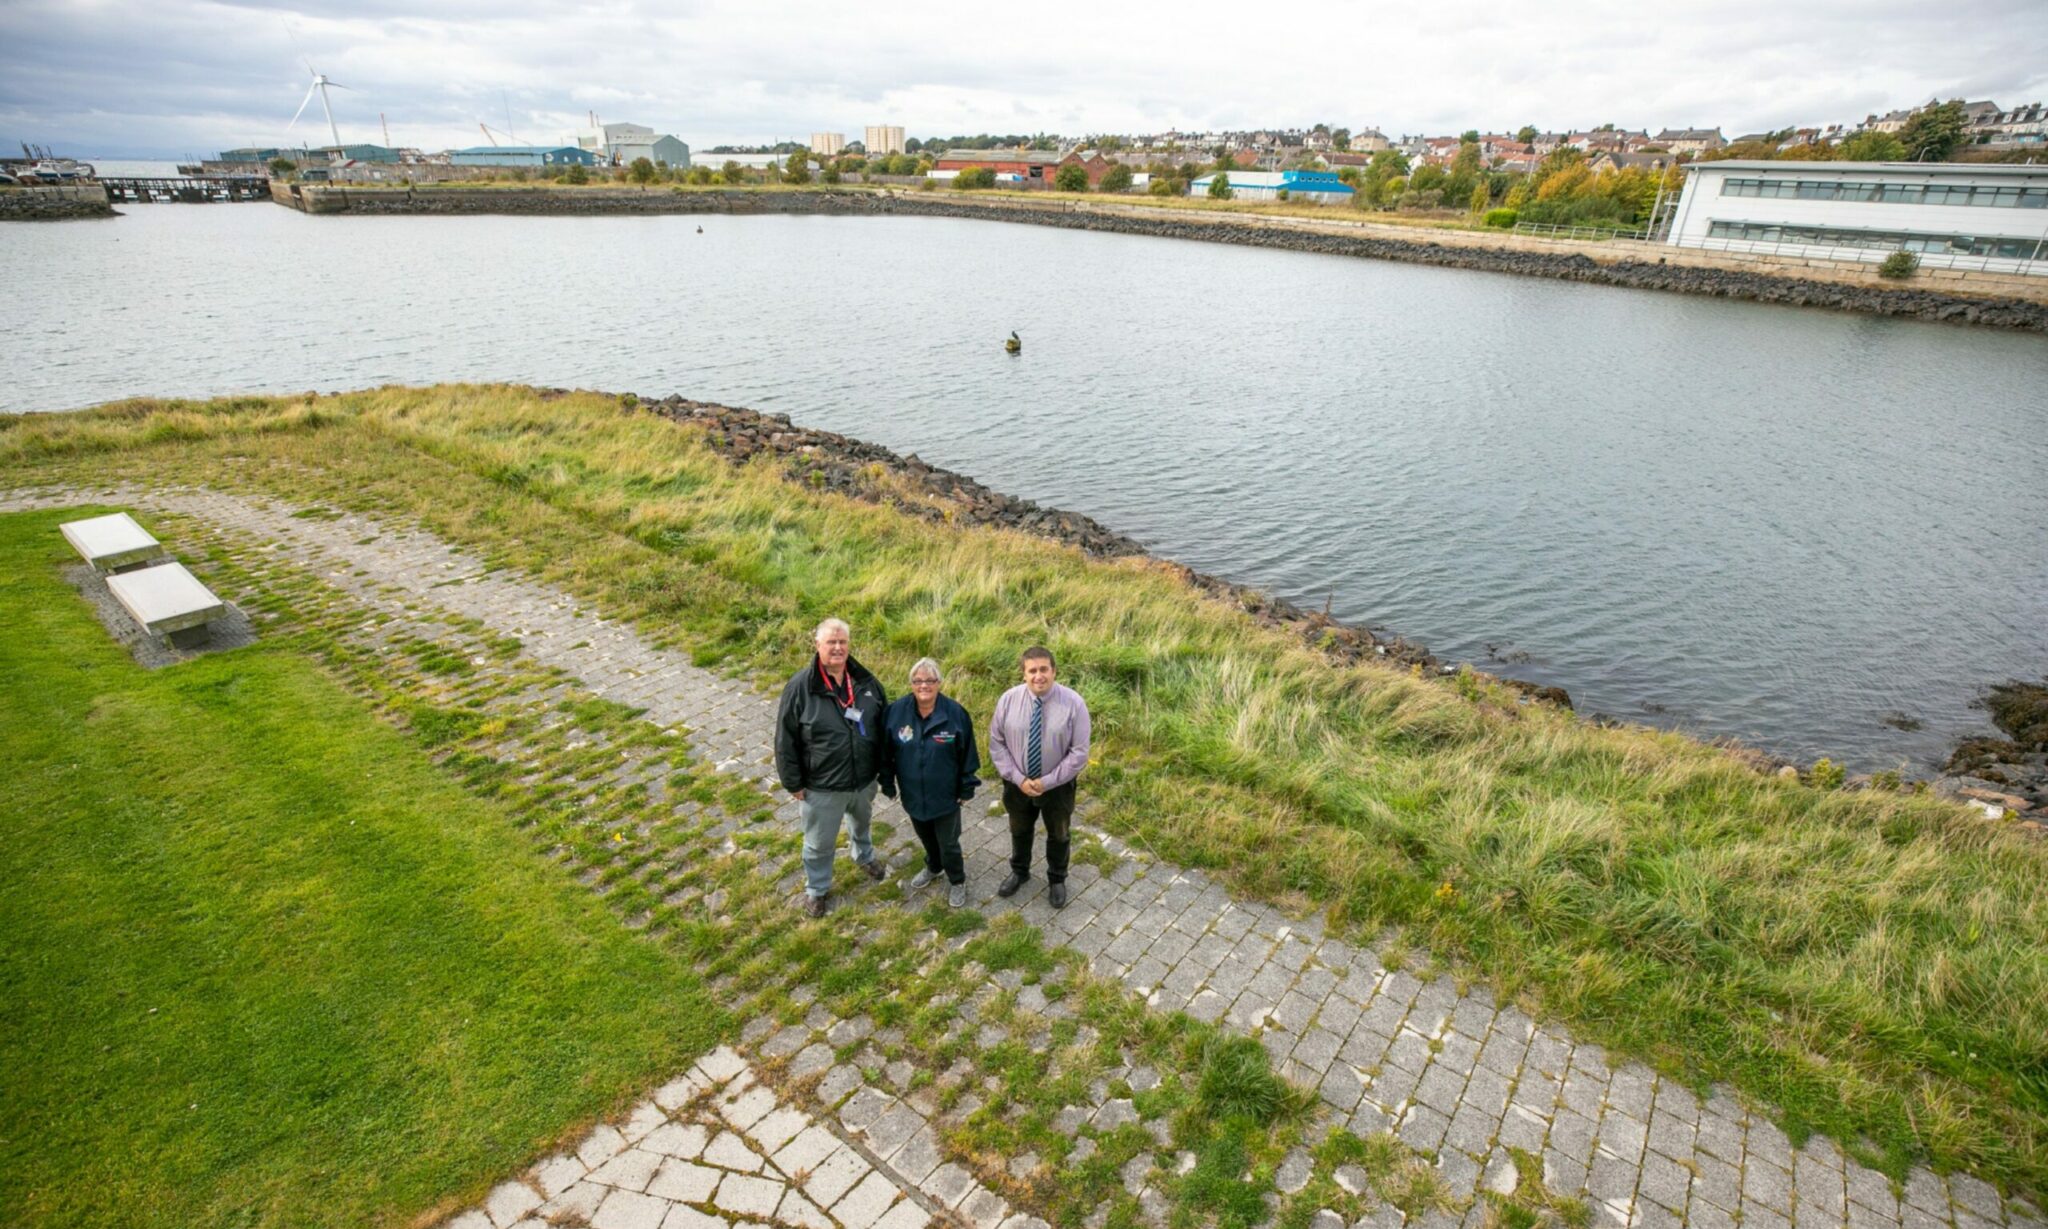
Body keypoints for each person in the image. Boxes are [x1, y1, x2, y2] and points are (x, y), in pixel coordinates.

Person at [774, 618, 889, 917]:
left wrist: (882, 770)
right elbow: (785, 738)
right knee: (818, 843)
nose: (838, 648)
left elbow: (883, 725)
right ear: (818, 646)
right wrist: (793, 782)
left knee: (861, 823)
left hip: (863, 780)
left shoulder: (866, 682)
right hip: (821, 786)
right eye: (831, 643)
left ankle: (863, 856)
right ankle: (817, 888)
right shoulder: (800, 687)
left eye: (843, 642)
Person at [988, 645, 1091, 909]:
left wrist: (1047, 781)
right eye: (1032, 670)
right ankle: (1020, 872)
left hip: (1057, 787)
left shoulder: (1074, 704)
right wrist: (1018, 777)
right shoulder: (1008, 700)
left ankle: (1057, 879)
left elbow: (1079, 753)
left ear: (1054, 671)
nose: (1038, 676)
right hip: (1016, 784)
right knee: (1019, 830)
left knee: (1059, 834)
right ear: (1023, 674)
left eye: (1044, 669)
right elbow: (996, 743)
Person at [879, 658, 980, 909]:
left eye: (930, 680)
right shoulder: (896, 712)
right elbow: (885, 752)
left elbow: (968, 753)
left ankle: (957, 880)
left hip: (946, 796)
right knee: (925, 836)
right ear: (911, 683)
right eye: (918, 681)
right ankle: (933, 867)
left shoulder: (955, 714)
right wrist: (887, 783)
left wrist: (967, 787)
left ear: (939, 683)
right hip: (912, 795)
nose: (924, 685)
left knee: (948, 844)